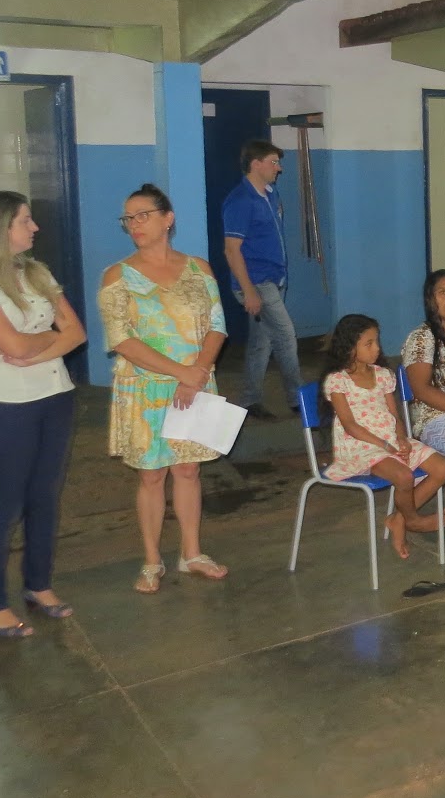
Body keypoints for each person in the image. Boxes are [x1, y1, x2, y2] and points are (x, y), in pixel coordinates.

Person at [0, 191, 86, 637]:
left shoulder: (37, 273)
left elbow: (76, 332)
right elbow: (15, 346)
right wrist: (41, 341)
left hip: (55, 397)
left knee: (44, 499)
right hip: (4, 409)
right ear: (0, 227)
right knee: (5, 505)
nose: (35, 228)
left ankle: (38, 585)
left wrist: (33, 347)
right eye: (26, 221)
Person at [100, 184, 229, 595]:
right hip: (147, 388)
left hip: (195, 381)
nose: (134, 224)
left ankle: (192, 553)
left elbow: (217, 326)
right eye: (128, 218)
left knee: (188, 470)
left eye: (143, 215)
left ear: (167, 218)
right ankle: (152, 560)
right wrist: (181, 372)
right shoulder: (118, 276)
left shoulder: (199, 269)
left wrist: (199, 370)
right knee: (152, 475)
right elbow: (121, 339)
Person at [323, 314, 445, 559]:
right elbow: (350, 426)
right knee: (403, 475)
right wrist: (385, 445)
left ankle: (399, 518)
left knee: (443, 468)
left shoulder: (382, 375)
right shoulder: (338, 381)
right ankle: (413, 520)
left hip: (390, 441)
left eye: (377, 342)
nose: (377, 348)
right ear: (350, 347)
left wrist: (401, 439)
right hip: (361, 446)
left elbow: (394, 416)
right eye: (368, 343)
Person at [221, 139, 300, 421]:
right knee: (286, 336)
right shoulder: (240, 201)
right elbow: (231, 250)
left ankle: (249, 400)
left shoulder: (270, 193)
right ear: (256, 164)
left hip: (275, 278)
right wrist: (248, 291)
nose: (278, 169)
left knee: (261, 343)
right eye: (273, 162)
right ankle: (297, 400)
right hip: (257, 283)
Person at [403, 269, 445, 458]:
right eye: (442, 292)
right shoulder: (422, 336)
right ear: (431, 300)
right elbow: (421, 389)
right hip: (434, 418)